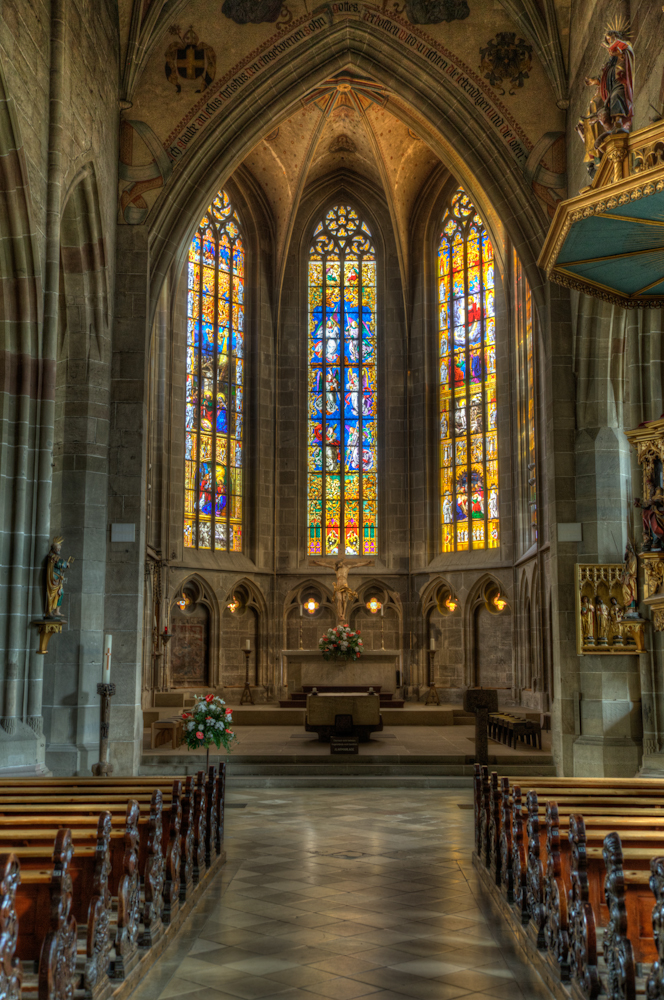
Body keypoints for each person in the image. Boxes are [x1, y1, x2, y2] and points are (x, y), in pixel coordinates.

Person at [45, 537, 74, 619]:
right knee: (52, 594)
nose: (59, 550)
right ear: (54, 549)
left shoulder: (55, 556)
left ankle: (56, 611)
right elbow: (59, 564)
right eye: (58, 548)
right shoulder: (52, 556)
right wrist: (66, 564)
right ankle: (49, 611)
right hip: (53, 579)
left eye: (59, 548)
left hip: (57, 578)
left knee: (61, 593)